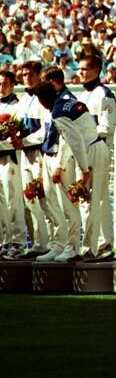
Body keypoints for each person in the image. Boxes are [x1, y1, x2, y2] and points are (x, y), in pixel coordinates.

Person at [34, 71, 99, 262]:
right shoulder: (51, 107)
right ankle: (58, 244)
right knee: (52, 203)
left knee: (67, 204)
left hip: (61, 158)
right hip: (48, 154)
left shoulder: (64, 103)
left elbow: (70, 139)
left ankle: (72, 246)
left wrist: (60, 165)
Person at [77, 48, 116, 259]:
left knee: (99, 198)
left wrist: (84, 134)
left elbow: (107, 128)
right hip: (84, 148)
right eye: (80, 69)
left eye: (85, 69)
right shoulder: (83, 94)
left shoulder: (105, 94)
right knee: (86, 198)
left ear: (96, 70)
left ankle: (104, 245)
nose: (80, 73)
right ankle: (90, 244)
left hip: (98, 147)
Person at [17, 58, 50, 255]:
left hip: (38, 153)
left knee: (42, 199)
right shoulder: (23, 100)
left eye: (30, 74)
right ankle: (37, 243)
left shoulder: (43, 99)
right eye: (24, 75)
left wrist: (25, 141)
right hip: (24, 155)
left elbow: (45, 132)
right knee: (28, 200)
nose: (27, 78)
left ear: (39, 75)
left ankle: (48, 244)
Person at [0, 68, 25, 258]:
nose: (1, 87)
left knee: (13, 200)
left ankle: (17, 242)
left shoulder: (18, 105)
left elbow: (20, 134)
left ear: (12, 85)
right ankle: (3, 241)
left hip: (10, 156)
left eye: (5, 84)